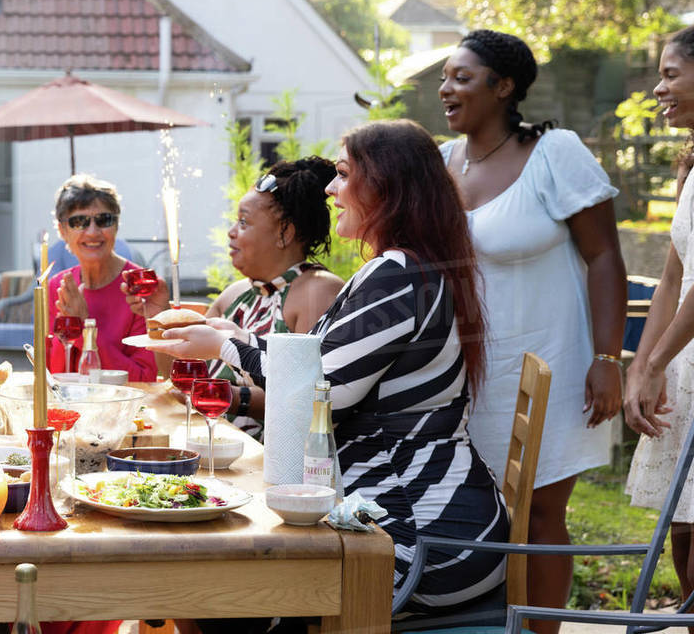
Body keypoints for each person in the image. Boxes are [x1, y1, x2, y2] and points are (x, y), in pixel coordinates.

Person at [156, 120, 509, 624]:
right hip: (397, 516)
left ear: (385, 186)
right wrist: (226, 335)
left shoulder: (398, 274)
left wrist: (227, 344)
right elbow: (317, 364)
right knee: (215, 581)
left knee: (225, 592)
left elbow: (321, 391)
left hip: (422, 537)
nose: (330, 189)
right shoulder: (405, 268)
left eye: (343, 175)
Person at [439, 29, 625, 630]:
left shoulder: (555, 151)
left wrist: (607, 356)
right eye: (446, 76)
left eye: (462, 77)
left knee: (541, 513)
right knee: (483, 514)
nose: (446, 88)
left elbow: (604, 257)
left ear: (505, 86)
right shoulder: (445, 162)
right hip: (469, 374)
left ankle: (542, 630)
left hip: (553, 362)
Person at [126, 157, 343, 437]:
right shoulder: (236, 294)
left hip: (266, 461)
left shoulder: (317, 290)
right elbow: (179, 377)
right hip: (215, 447)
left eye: (243, 222)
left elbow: (308, 396)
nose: (231, 232)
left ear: (284, 233)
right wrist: (158, 318)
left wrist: (225, 395)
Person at [625, 25, 694, 605]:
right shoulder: (690, 166)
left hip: (686, 353)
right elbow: (673, 277)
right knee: (682, 533)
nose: (658, 89)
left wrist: (654, 363)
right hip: (683, 362)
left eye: (671, 74)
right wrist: (641, 366)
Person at [47, 174, 156, 381]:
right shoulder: (57, 288)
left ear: (116, 226)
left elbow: (144, 378)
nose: (92, 231)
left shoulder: (139, 287)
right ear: (62, 230)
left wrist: (84, 327)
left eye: (104, 220)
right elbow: (56, 375)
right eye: (79, 222)